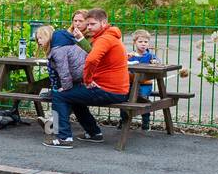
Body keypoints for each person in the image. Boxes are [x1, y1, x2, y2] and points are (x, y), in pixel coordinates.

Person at [45, 8, 130, 149]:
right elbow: (92, 54)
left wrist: (88, 80)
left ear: (103, 23)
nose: (88, 27)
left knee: (60, 94)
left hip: (108, 90)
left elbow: (91, 60)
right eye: (88, 24)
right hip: (116, 90)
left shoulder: (105, 39)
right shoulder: (109, 37)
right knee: (74, 95)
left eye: (92, 24)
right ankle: (93, 133)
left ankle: (64, 138)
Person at [122, 29, 158, 131]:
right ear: (135, 43)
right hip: (131, 83)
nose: (143, 44)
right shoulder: (131, 56)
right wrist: (126, 58)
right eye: (140, 42)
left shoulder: (151, 56)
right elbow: (122, 64)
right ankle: (124, 121)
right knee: (123, 98)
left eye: (145, 42)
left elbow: (158, 64)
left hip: (145, 84)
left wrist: (155, 62)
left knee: (142, 99)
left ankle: (145, 122)